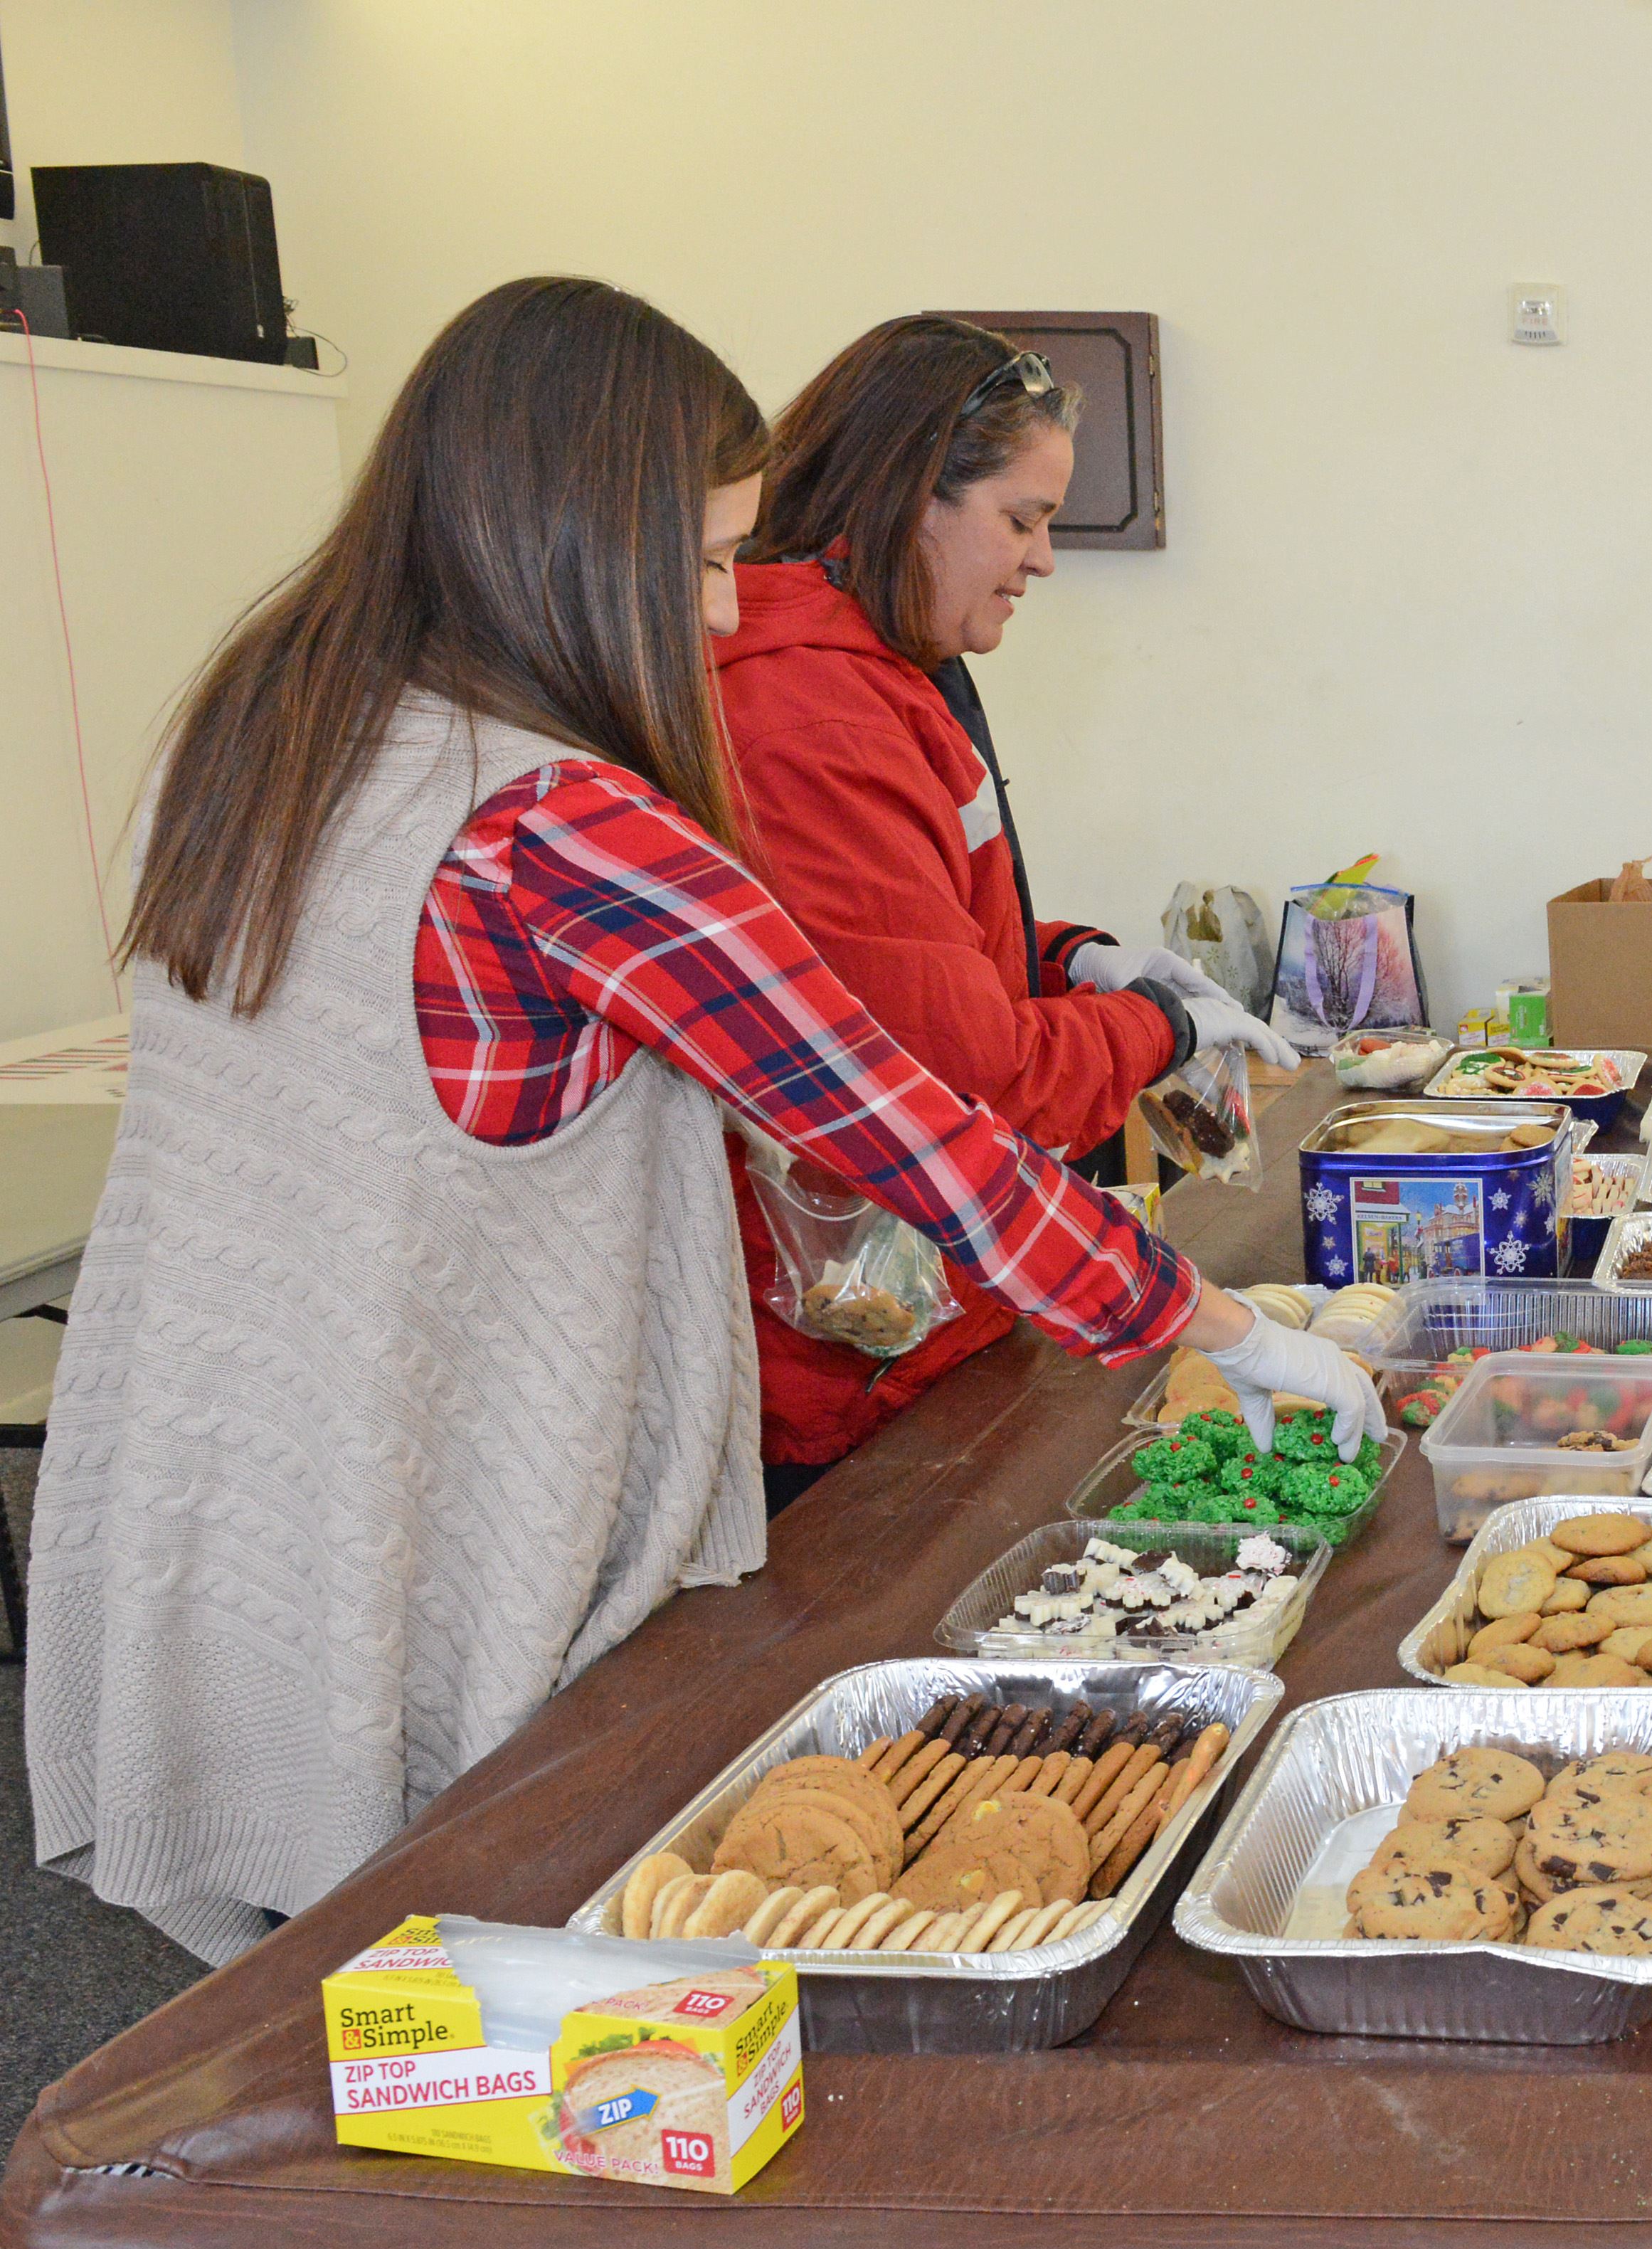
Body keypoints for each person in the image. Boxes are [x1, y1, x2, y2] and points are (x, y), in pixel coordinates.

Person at [26, 279, 1372, 1962]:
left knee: (310, 2019)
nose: (729, 615)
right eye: (711, 557)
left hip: (203, 1501)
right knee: (466, 2004)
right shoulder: (564, 821)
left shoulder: (262, 728)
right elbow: (909, 1120)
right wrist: (1225, 1326)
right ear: (573, 541)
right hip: (433, 1521)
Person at [717, 315, 1289, 1489]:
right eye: (1021, 522)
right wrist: (1159, 1028)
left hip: (930, 1326)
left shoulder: (883, 672)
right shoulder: (808, 714)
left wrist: (1072, 958)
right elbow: (970, 1077)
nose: (1040, 561)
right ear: (900, 498)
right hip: (853, 1358)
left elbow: (906, 937)